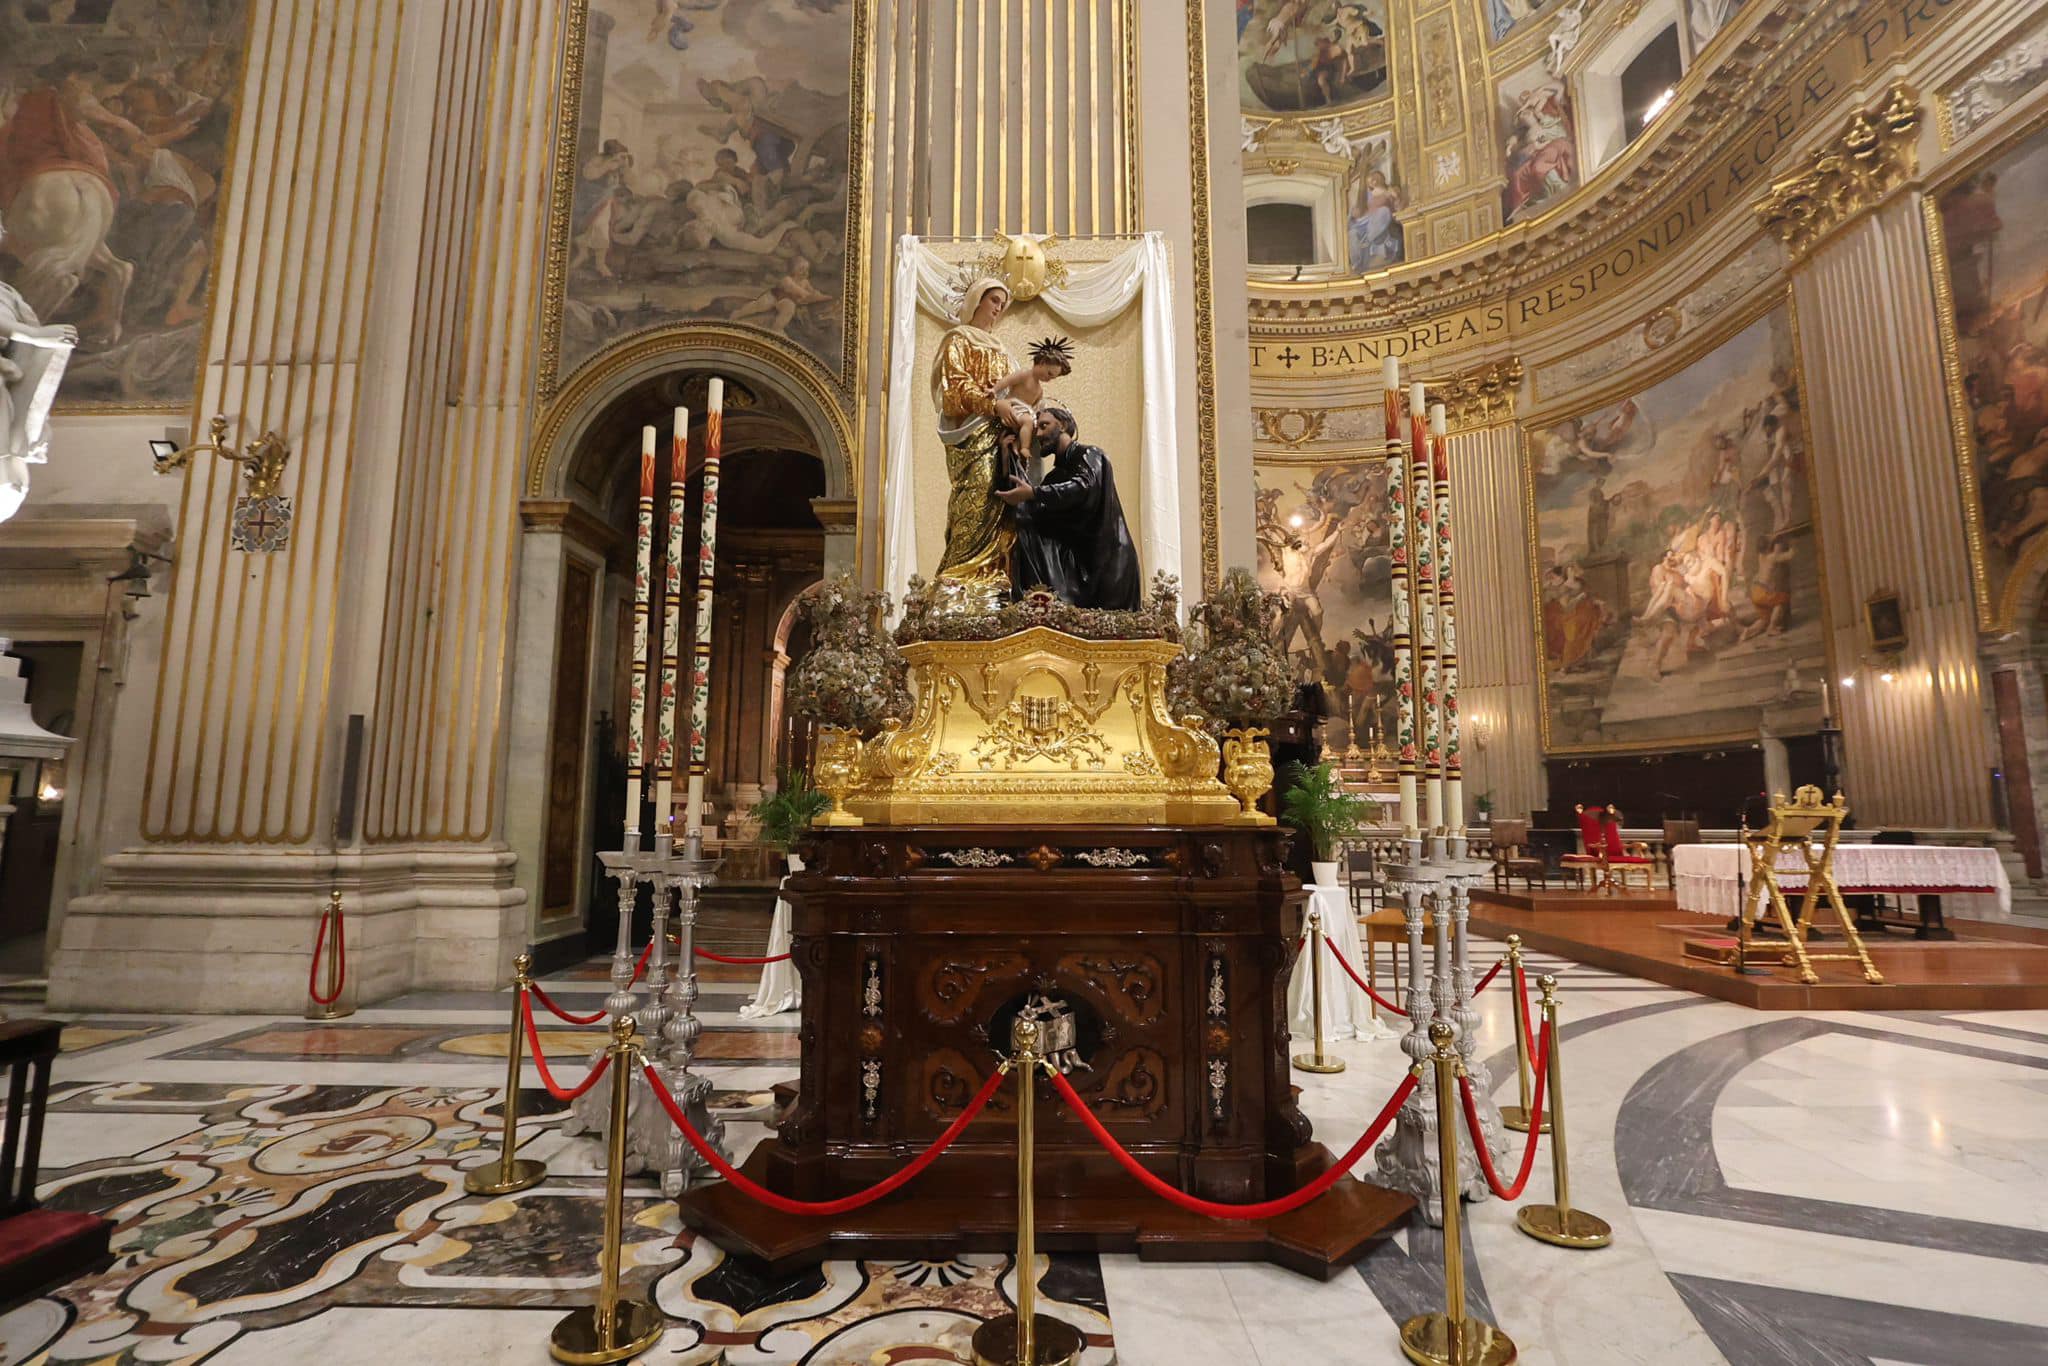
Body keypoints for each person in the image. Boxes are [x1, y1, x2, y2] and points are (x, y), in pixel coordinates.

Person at [930, 277, 1027, 604]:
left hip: (1002, 436)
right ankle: (958, 578)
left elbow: (1017, 389)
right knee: (977, 493)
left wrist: (1021, 411)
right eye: (994, 299)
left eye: (1003, 303)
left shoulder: (1002, 350)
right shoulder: (958, 340)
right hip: (972, 435)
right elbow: (955, 386)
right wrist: (993, 405)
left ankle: (992, 577)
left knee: (1003, 500)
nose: (999, 307)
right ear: (977, 300)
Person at [994, 405, 1141, 610]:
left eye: (1044, 426)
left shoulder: (1090, 454)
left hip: (1109, 563)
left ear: (1062, 425)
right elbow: (1028, 510)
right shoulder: (1055, 476)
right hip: (1079, 566)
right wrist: (1007, 457)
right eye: (1036, 429)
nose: (1038, 435)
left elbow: (1083, 487)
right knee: (1026, 525)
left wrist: (1034, 493)